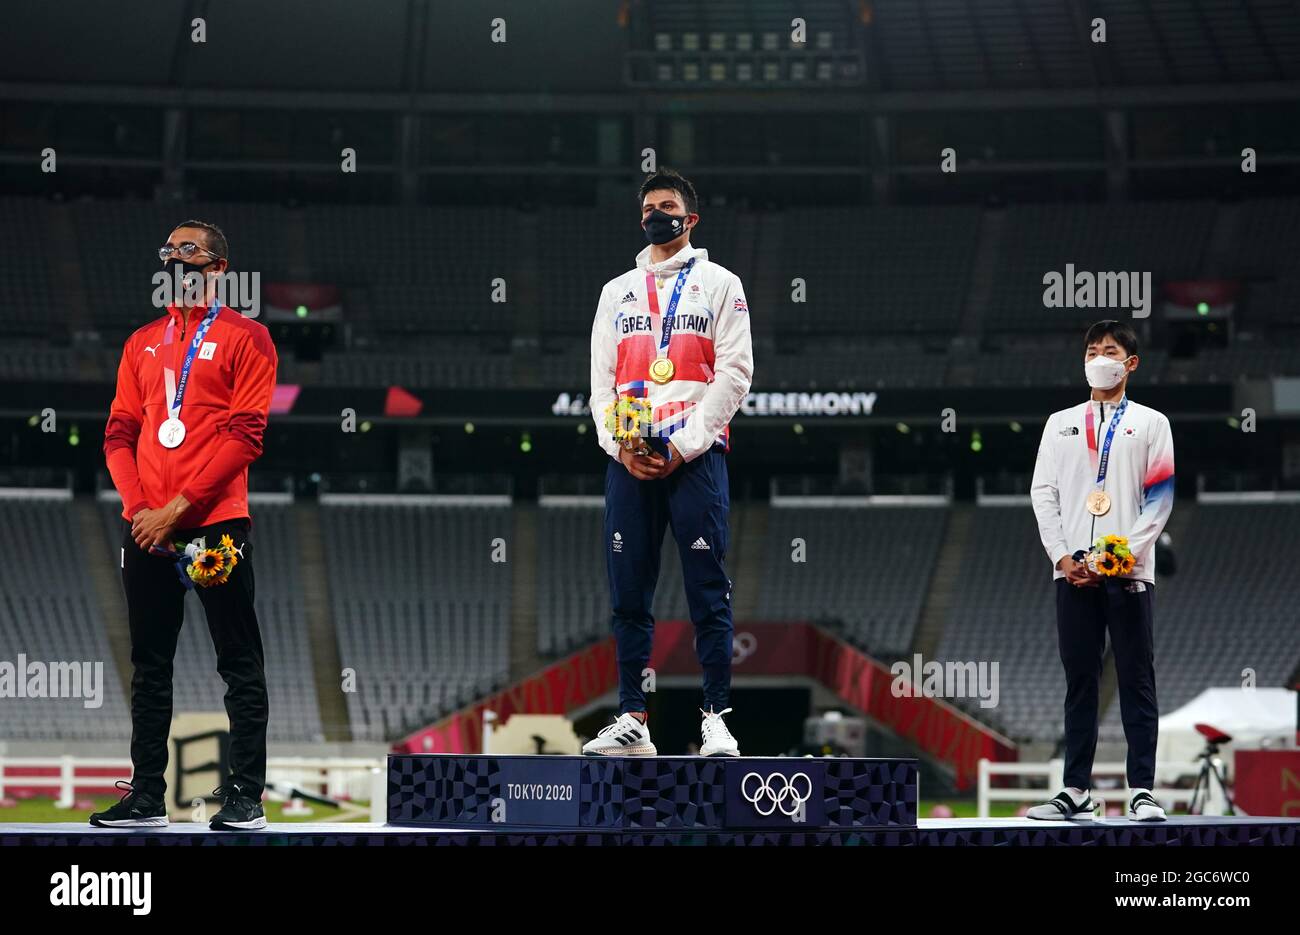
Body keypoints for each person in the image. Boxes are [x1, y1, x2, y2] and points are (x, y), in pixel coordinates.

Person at [92, 221, 278, 830]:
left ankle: (246, 796)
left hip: (213, 530)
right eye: (169, 253)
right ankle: (147, 796)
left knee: (237, 660)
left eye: (189, 252)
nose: (176, 261)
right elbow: (119, 433)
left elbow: (245, 436)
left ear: (219, 268)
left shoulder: (248, 338)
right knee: (149, 666)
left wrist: (178, 509)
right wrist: (143, 508)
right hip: (147, 530)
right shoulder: (141, 341)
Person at [584, 169, 753, 757]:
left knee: (708, 589)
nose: (659, 214)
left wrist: (683, 444)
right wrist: (621, 448)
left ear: (691, 219)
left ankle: (716, 718)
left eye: (669, 207)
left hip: (696, 458)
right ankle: (632, 718)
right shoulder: (616, 292)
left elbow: (735, 374)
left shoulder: (721, 285)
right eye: (650, 207)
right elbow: (602, 386)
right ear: (641, 219)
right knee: (629, 593)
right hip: (629, 459)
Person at [1028, 320, 1174, 822]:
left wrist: (1111, 559)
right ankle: (1075, 788)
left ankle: (1142, 789)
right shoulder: (1059, 422)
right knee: (1079, 680)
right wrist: (1064, 557)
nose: (1098, 357)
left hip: (1129, 574)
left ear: (1130, 363)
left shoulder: (1153, 424)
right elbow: (1042, 493)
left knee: (1137, 677)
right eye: (1091, 350)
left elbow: (1159, 501)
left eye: (1108, 350)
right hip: (1071, 574)